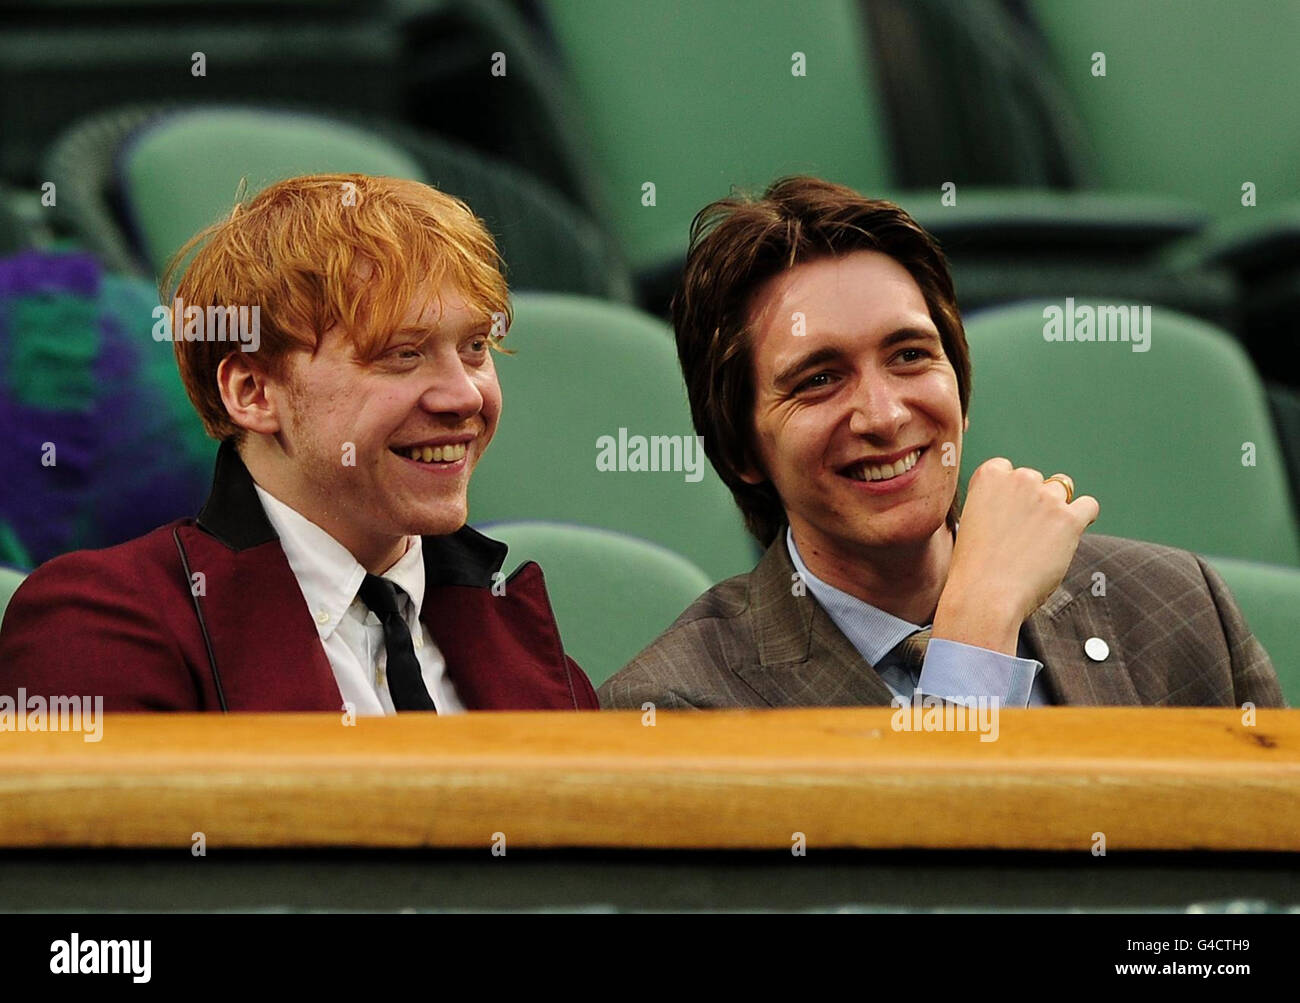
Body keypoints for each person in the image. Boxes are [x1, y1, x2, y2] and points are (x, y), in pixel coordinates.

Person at [599, 176, 1283, 710]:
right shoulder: (679, 703)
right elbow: (922, 886)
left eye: (909, 355)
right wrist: (976, 631)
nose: (884, 413)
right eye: (819, 379)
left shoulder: (1178, 608)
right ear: (742, 448)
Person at [0, 174, 597, 713]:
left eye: (474, 348)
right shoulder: (99, 628)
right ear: (253, 392)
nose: (463, 397)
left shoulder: (522, 642)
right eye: (401, 354)